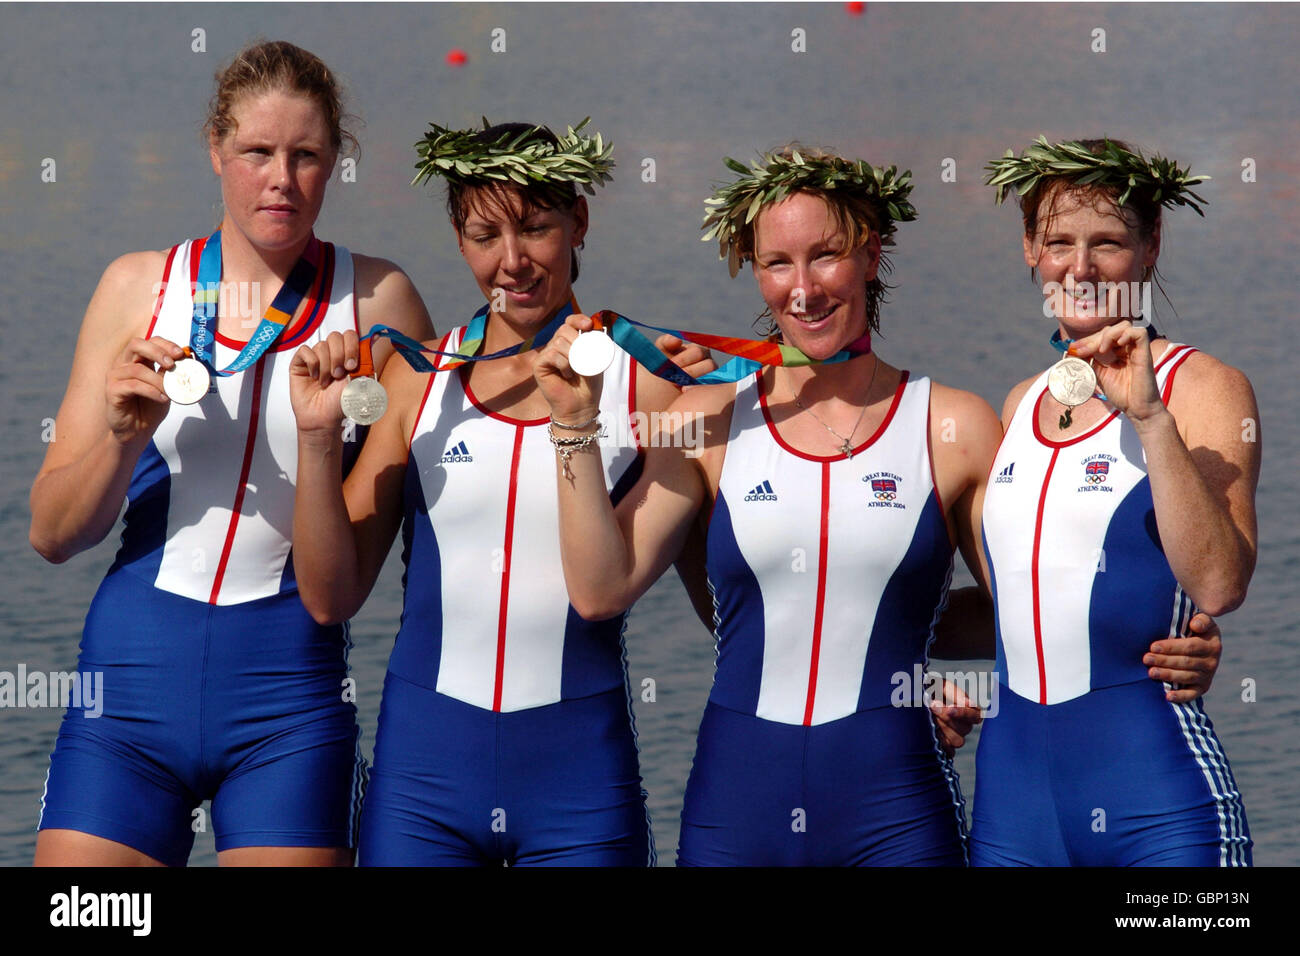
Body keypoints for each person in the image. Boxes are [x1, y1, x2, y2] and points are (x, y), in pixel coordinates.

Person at [533, 145, 1227, 866]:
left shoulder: (954, 429)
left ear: (873, 252)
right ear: (752, 269)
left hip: (898, 816)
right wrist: (573, 425)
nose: (803, 289)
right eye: (777, 263)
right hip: (734, 816)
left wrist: (1170, 636)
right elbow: (598, 588)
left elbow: (1029, 602)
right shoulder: (705, 422)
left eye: (827, 255)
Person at [28, 40, 434, 866]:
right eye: (257, 152)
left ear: (334, 164)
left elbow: (376, 567)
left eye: (307, 156)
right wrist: (119, 433)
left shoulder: (382, 302)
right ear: (216, 149)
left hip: (287, 703)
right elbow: (52, 533)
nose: (281, 179)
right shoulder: (136, 288)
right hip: (129, 693)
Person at [287, 120, 713, 866]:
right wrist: (318, 442)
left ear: (579, 221)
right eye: (485, 235)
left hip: (578, 782)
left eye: (536, 229)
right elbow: (330, 596)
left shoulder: (650, 378)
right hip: (423, 788)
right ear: (458, 239)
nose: (511, 263)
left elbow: (729, 600)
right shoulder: (417, 378)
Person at [971, 137, 1258, 866]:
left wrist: (1149, 418)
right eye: (1059, 241)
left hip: (1158, 810)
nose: (1081, 267)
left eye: (1108, 243)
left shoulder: (1204, 388)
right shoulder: (1017, 403)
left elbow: (1220, 584)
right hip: (1012, 813)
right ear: (1030, 249)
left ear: (1151, 246)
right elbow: (1024, 601)